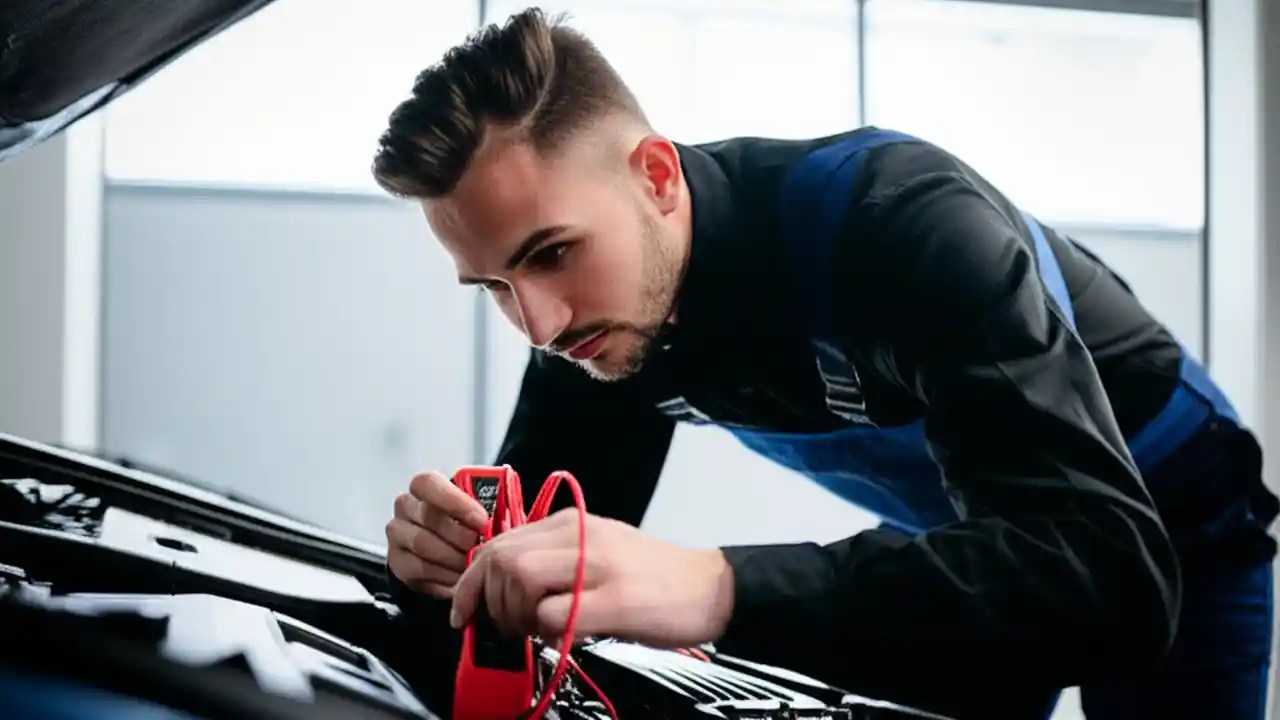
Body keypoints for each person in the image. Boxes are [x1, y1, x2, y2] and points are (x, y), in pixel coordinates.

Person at [371, 8, 1278, 719]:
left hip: (1166, 530)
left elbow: (1111, 580)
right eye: (490, 285)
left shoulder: (900, 223)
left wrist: (716, 585)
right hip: (975, 539)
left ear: (655, 177)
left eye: (552, 252)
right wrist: (450, 568)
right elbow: (538, 579)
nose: (537, 325)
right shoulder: (591, 324)